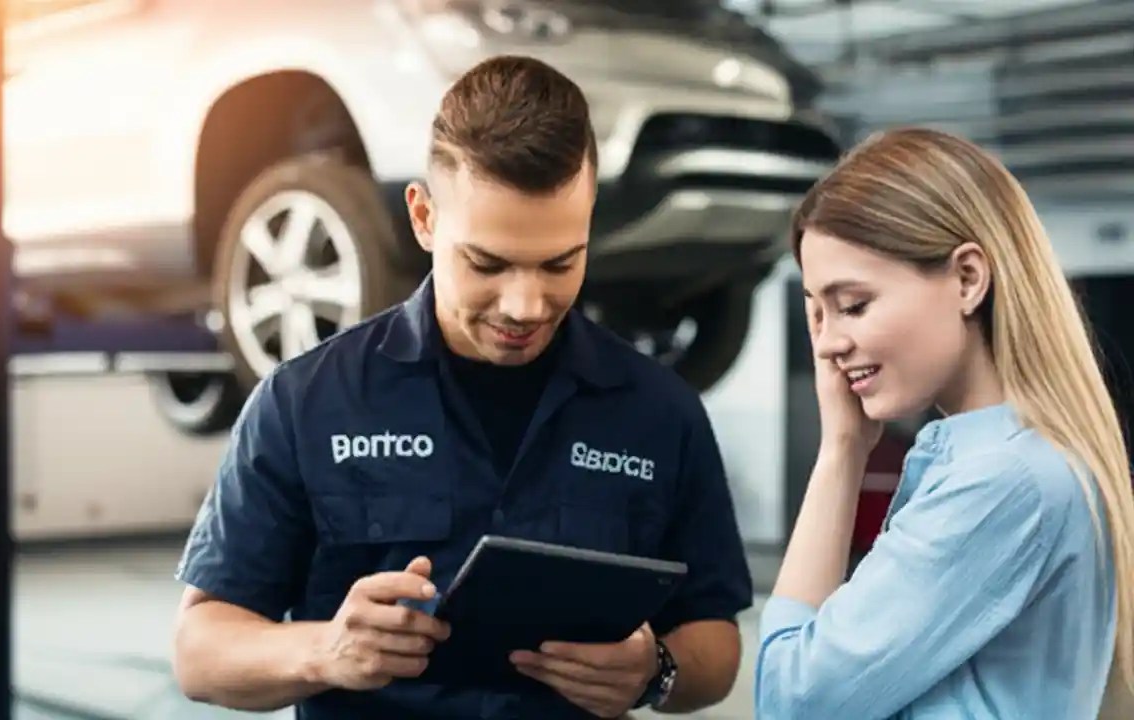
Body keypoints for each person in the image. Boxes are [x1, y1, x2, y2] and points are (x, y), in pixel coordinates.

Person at [170, 55, 753, 719]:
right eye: (487, 263)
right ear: (423, 218)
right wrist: (324, 649)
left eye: (561, 262)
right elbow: (200, 650)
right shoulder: (305, 402)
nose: (526, 304)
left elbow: (717, 641)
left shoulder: (660, 412)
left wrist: (657, 670)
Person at [755, 127, 1134, 720]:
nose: (827, 344)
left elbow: (792, 701)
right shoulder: (1010, 463)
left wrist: (840, 453)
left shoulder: (1002, 482)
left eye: (852, 305)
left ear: (967, 279)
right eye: (817, 314)